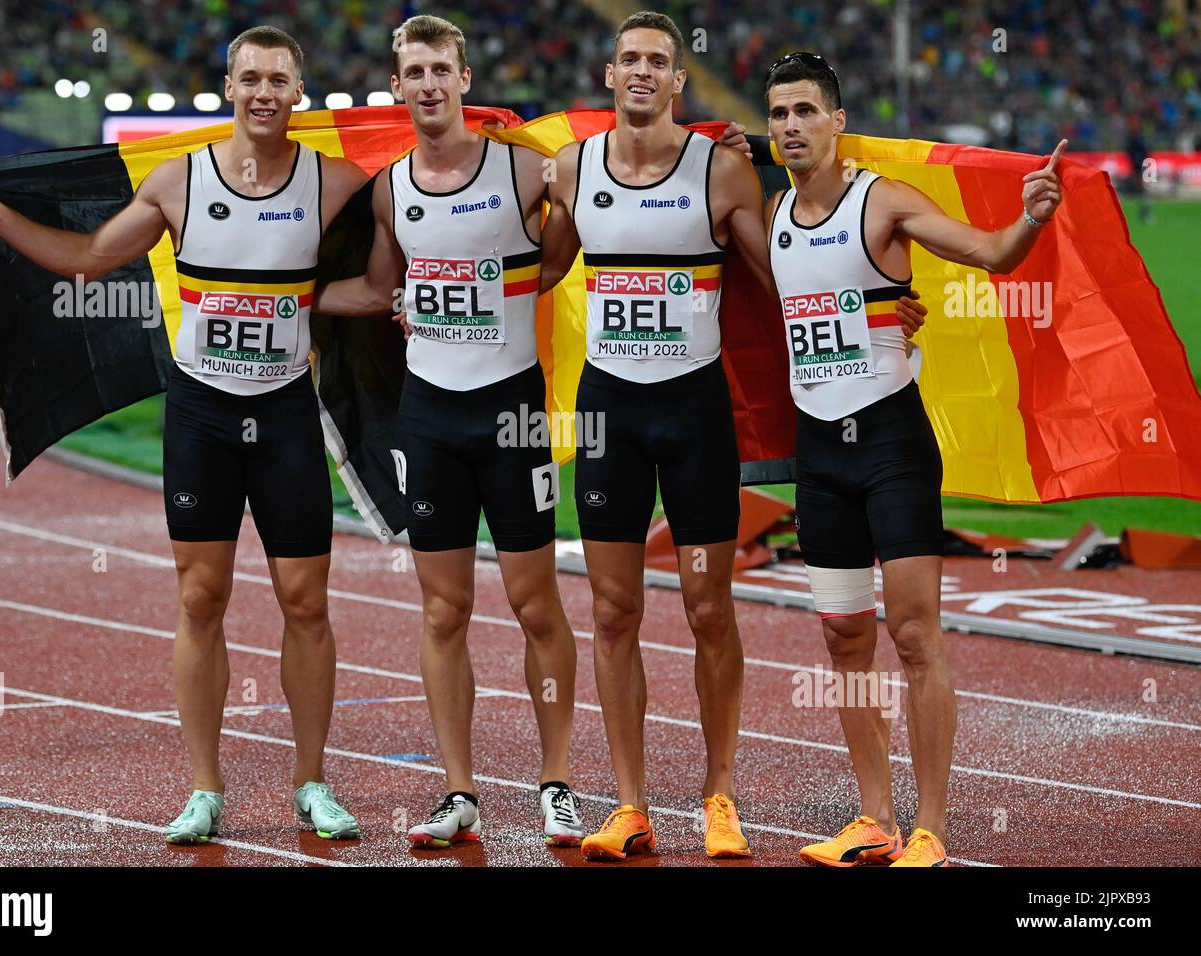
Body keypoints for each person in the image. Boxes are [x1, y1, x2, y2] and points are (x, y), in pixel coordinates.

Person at [0, 26, 371, 845]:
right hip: (203, 415)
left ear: (298, 94)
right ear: (229, 84)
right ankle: (205, 791)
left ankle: (311, 782)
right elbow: (86, 261)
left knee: (305, 601)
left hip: (284, 412)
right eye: (249, 78)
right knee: (200, 597)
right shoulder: (182, 181)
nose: (263, 93)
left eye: (278, 80)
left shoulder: (335, 183)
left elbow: (412, 218)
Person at [539, 12, 929, 861]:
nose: (642, 72)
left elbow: (789, 277)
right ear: (609, 75)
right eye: (629, 59)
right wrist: (425, 285)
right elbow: (540, 267)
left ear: (680, 82)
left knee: (710, 608)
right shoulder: (572, 171)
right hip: (609, 412)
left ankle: (720, 796)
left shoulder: (718, 172)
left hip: (694, 414)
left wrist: (876, 307)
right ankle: (630, 806)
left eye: (659, 63)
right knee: (612, 611)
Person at [761, 51, 1064, 867]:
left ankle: (928, 827)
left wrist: (1032, 216)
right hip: (817, 452)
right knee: (842, 641)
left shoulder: (882, 200)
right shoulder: (770, 216)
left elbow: (994, 255)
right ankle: (873, 817)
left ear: (836, 121)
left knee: (914, 634)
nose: (791, 126)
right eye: (778, 114)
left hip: (891, 446)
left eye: (805, 111)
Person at [313, 14, 589, 848]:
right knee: (444, 612)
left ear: (465, 80)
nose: (428, 84)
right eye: (413, 72)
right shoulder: (392, 189)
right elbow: (376, 289)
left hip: (511, 414)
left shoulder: (524, 172)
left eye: (442, 69)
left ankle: (556, 784)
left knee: (536, 604)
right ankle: (460, 794)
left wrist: (556, 226)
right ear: (396, 88)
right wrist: (270, 295)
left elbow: (559, 260)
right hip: (428, 419)